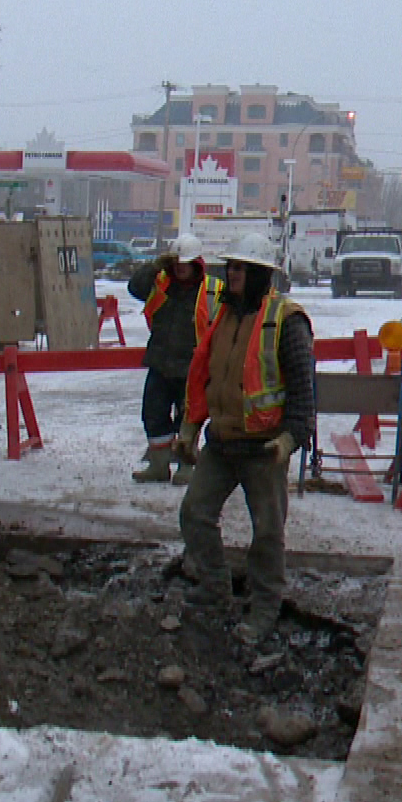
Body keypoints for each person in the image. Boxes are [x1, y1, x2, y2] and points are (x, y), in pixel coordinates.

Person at [173, 231, 315, 644]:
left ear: (258, 274)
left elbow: (304, 397)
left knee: (267, 532)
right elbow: (206, 378)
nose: (231, 274)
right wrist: (189, 428)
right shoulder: (224, 315)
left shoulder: (287, 321)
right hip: (222, 443)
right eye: (230, 267)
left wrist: (288, 441)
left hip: (263, 451)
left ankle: (265, 606)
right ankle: (215, 588)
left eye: (239, 268)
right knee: (194, 514)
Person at [126, 234, 221, 485]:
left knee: (187, 419)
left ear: (196, 264)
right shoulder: (161, 282)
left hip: (192, 367)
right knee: (153, 414)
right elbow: (135, 287)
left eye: (185, 264)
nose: (180, 268)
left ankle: (187, 465)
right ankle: (159, 465)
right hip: (160, 362)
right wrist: (156, 265)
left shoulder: (212, 290)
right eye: (176, 263)